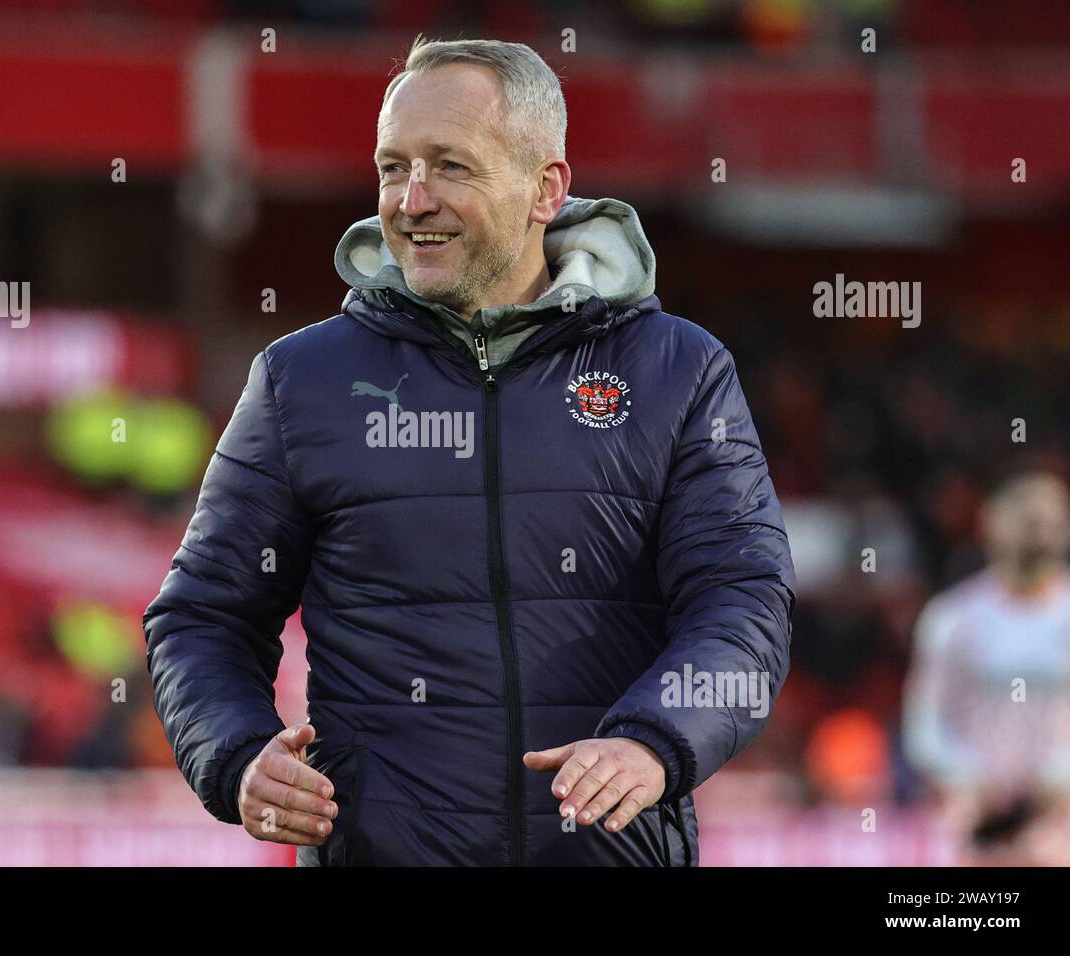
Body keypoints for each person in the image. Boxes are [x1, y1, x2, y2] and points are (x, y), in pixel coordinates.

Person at [143, 36, 795, 866]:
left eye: (449, 166)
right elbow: (202, 615)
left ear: (545, 189)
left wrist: (655, 741)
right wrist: (236, 756)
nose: (412, 199)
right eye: (392, 167)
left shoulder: (679, 371)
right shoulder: (299, 382)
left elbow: (743, 596)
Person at [903, 470, 1070, 865]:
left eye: (1048, 519)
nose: (1037, 530)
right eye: (1026, 519)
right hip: (980, 817)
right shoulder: (952, 618)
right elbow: (924, 725)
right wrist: (972, 776)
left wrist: (1058, 776)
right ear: (990, 524)